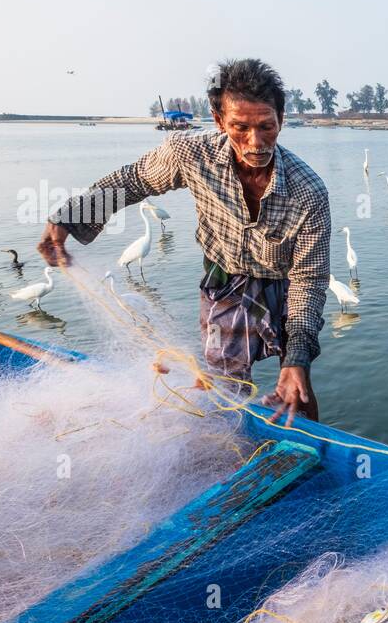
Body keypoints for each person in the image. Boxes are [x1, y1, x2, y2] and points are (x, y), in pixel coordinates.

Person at [38, 58, 330, 424]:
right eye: (240, 127)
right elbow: (133, 181)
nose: (255, 143)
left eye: (266, 127)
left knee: (297, 387)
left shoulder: (309, 192)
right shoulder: (190, 155)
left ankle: (315, 449)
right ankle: (231, 444)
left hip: (284, 284)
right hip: (225, 283)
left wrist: (297, 358)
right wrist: (69, 215)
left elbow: (310, 279)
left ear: (281, 121)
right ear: (219, 120)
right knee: (225, 386)